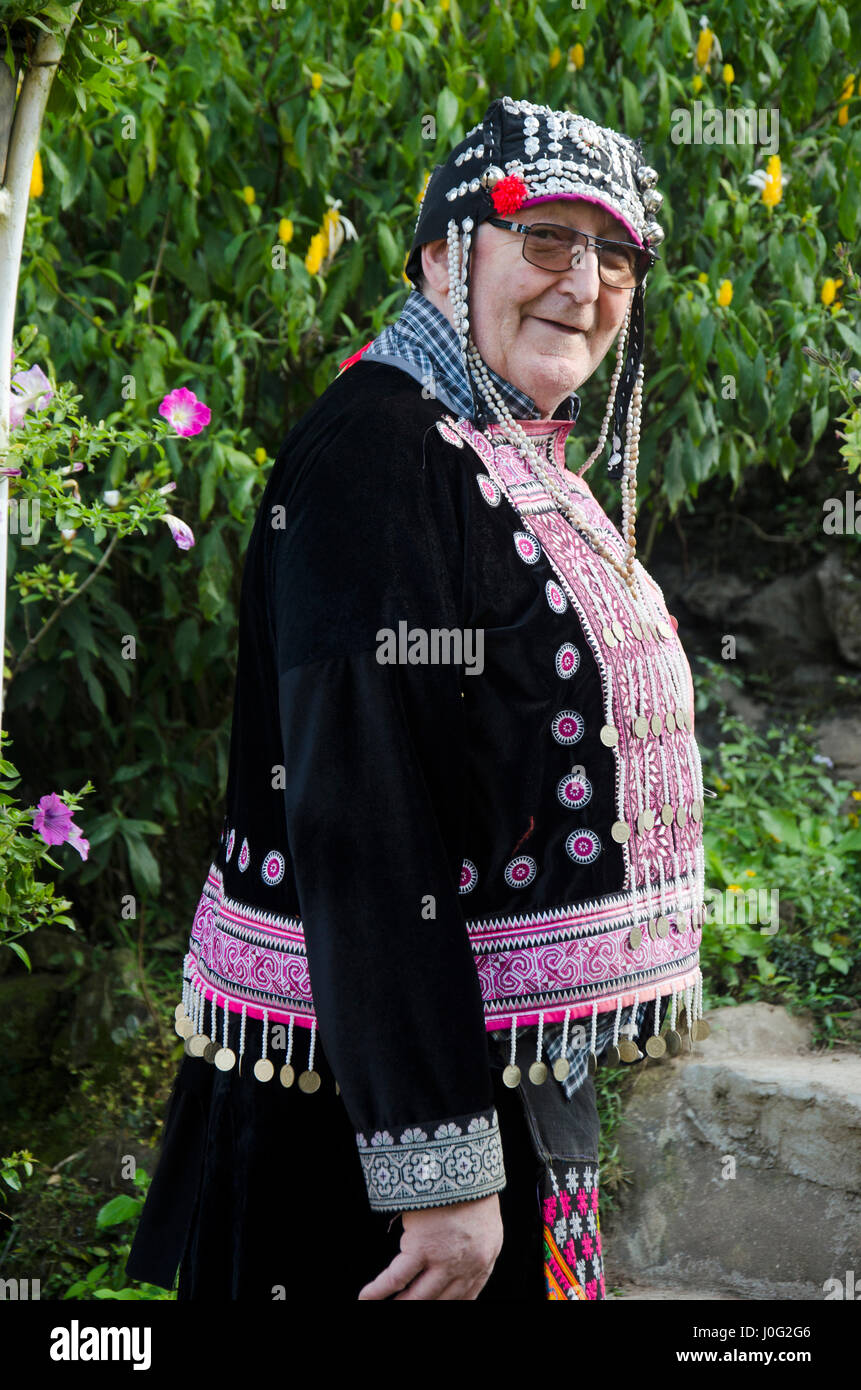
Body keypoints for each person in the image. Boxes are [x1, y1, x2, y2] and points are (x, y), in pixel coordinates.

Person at [126, 95, 709, 1304]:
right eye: (544, 237)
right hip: (364, 1116)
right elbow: (363, 824)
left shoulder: (500, 443)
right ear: (446, 254)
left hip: (498, 1068)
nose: (583, 281)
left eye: (613, 255)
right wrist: (439, 1172)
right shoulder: (377, 455)